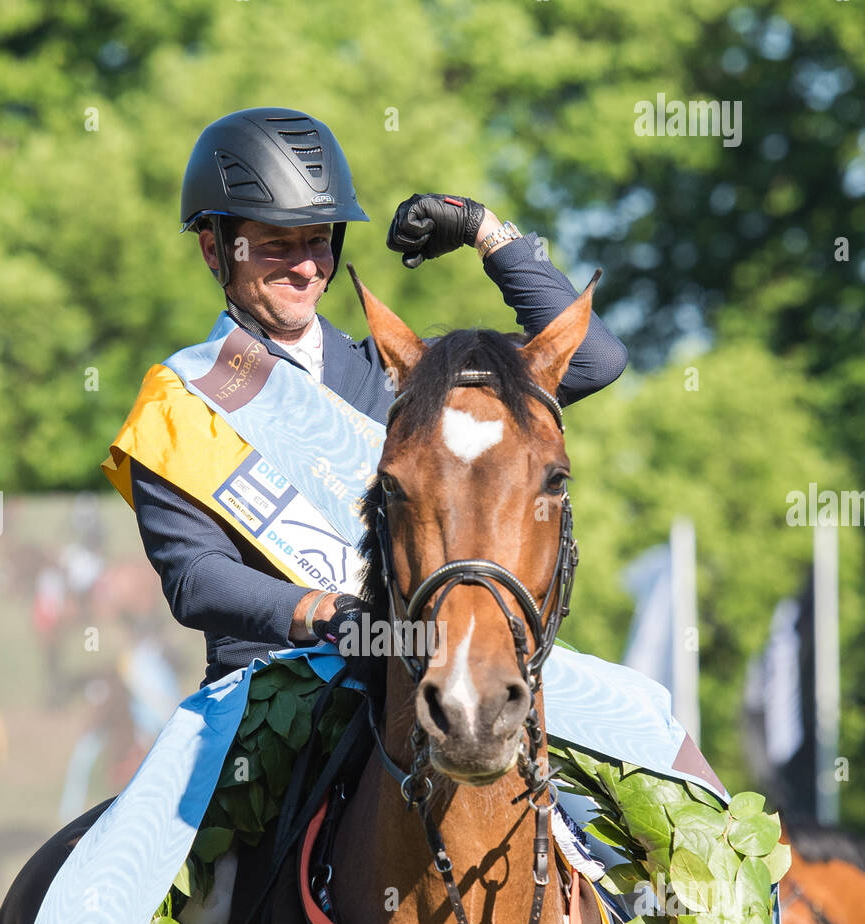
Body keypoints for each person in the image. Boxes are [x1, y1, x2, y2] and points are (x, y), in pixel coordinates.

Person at [120, 107, 628, 686]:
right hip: (269, 685)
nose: (306, 266)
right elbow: (195, 575)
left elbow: (592, 359)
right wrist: (328, 613)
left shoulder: (409, 380)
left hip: (443, 670)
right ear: (216, 251)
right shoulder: (181, 402)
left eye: (318, 241)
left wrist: (484, 231)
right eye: (276, 245)